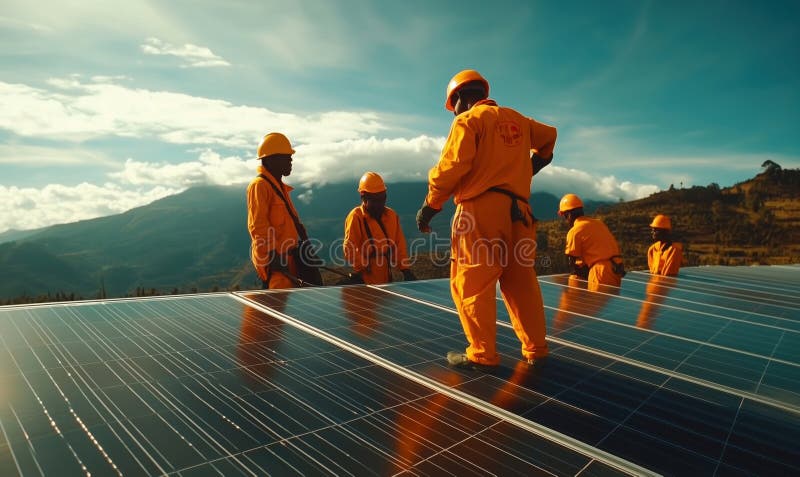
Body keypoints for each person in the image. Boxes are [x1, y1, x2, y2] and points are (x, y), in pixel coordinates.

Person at [416, 69, 557, 369]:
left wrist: (430, 206)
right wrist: (530, 167)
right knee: (521, 283)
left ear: (460, 98)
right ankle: (536, 349)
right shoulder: (519, 121)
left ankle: (481, 354)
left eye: (453, 105)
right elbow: (550, 137)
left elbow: (451, 168)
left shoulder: (468, 120)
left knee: (471, 283)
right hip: (520, 213)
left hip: (480, 212)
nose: (453, 112)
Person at [246, 132, 317, 289]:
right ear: (271, 160)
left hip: (290, 262)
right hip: (277, 266)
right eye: (286, 157)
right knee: (279, 301)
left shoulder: (279, 187)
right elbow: (258, 226)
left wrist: (307, 249)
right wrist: (272, 255)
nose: (291, 161)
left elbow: (292, 224)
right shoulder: (259, 185)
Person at [344, 172, 416, 284]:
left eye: (382, 199)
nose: (379, 204)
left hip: (387, 280)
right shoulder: (356, 217)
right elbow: (349, 247)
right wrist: (362, 266)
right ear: (363, 197)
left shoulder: (392, 216)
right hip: (365, 281)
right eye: (375, 200)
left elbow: (399, 246)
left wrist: (405, 269)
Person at [558, 193, 625, 291]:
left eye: (564, 216)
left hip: (600, 273)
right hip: (616, 269)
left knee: (596, 299)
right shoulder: (599, 223)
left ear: (568, 215)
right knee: (611, 301)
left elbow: (571, 264)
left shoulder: (575, 231)